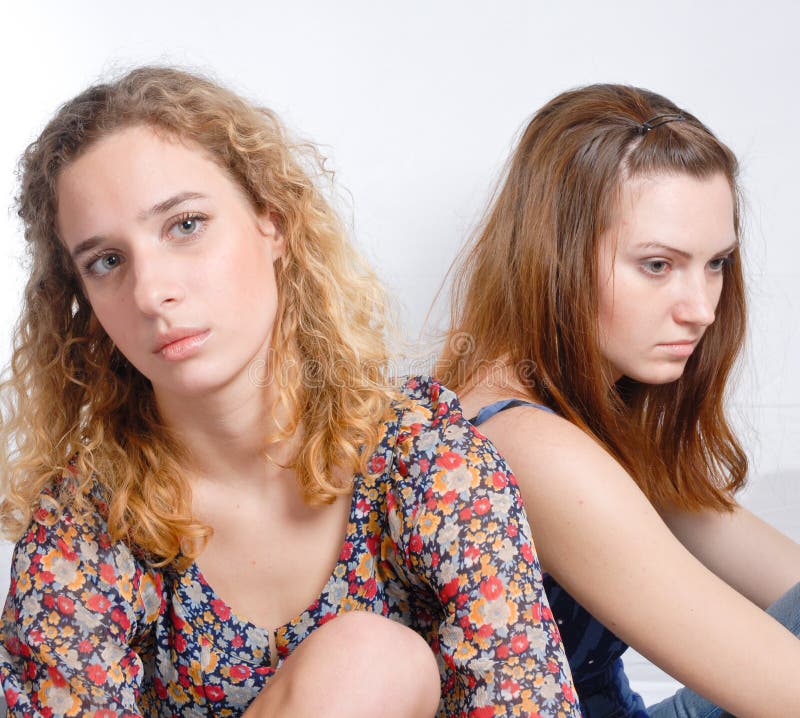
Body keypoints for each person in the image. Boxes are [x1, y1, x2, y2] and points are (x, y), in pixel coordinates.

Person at [0, 67, 579, 718]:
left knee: (370, 661)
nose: (150, 292)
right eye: (107, 261)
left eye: (185, 225)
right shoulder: (85, 522)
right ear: (83, 301)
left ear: (270, 220)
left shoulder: (421, 455)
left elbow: (528, 701)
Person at [436, 84, 800, 718]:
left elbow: (784, 579)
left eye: (716, 264)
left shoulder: (585, 413)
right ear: (558, 259)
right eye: (658, 265)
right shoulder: (530, 445)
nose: (703, 310)